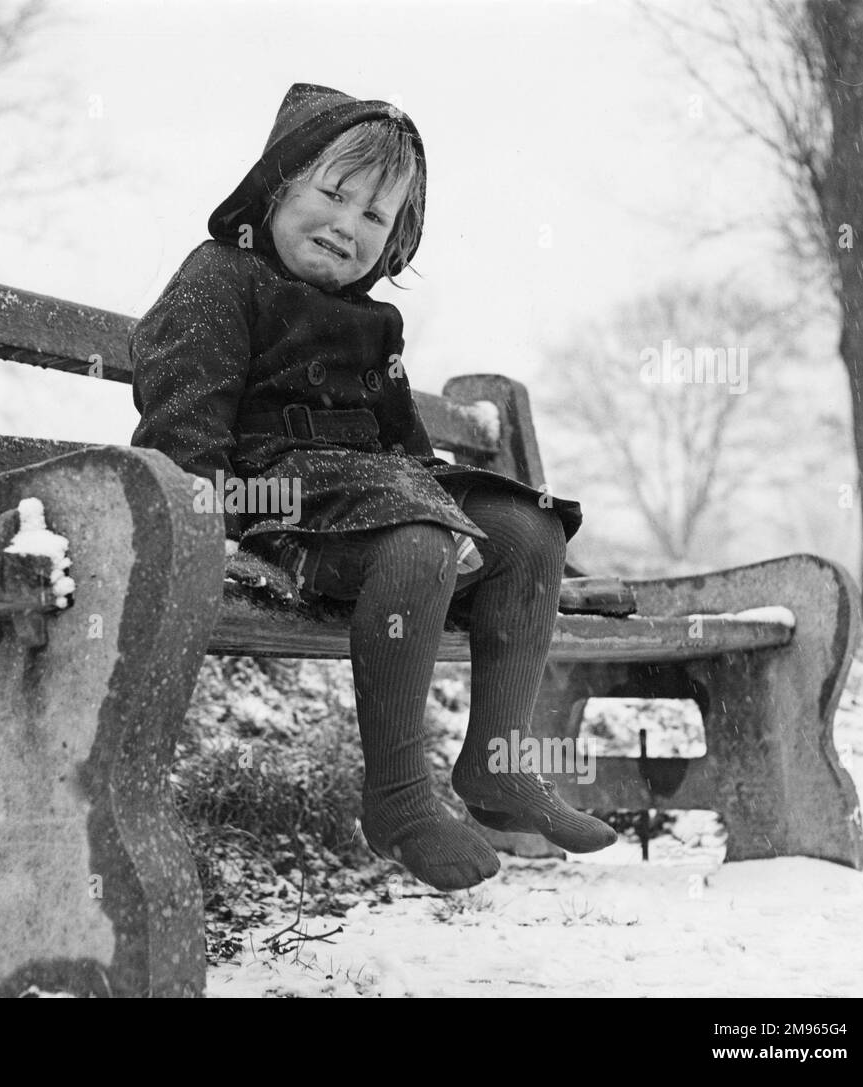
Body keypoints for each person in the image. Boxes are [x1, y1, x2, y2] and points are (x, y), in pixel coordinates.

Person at [130, 83, 615, 891]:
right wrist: (204, 517)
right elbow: (185, 412)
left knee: (532, 528)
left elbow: (404, 445)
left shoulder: (373, 322)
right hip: (277, 501)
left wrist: (462, 514)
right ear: (277, 186)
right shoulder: (222, 277)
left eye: (374, 217)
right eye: (333, 194)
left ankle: (498, 760)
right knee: (419, 537)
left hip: (374, 497)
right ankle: (396, 797)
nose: (346, 225)